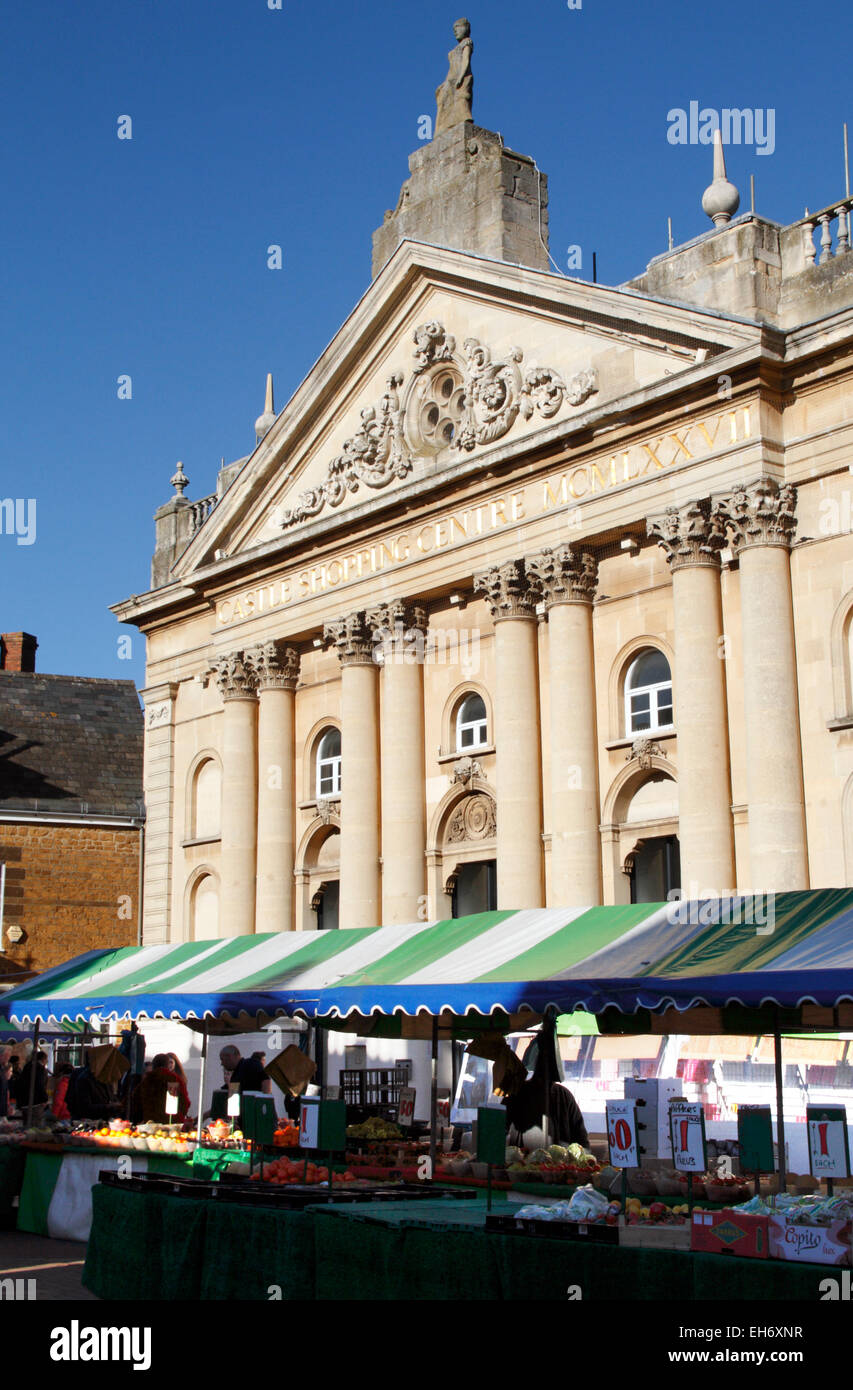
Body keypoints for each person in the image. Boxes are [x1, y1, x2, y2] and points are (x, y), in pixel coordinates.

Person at [66, 1052, 123, 1121]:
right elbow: (85, 1107)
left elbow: (110, 1097)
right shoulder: (84, 1079)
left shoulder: (104, 1078)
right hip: (87, 1121)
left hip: (104, 1120)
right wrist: (109, 1106)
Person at [136, 1054, 181, 1124]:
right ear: (166, 1065)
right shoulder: (173, 1079)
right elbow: (178, 1103)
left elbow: (136, 1098)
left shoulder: (147, 1080)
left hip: (148, 1120)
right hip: (167, 1120)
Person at [17, 1050, 49, 1123]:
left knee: (26, 1123)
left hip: (24, 1101)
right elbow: (40, 1084)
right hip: (35, 1102)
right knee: (35, 1125)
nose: (47, 1061)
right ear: (43, 1059)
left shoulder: (27, 1066)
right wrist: (44, 1098)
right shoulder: (39, 1069)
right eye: (46, 1059)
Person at [166, 1052, 191, 1119]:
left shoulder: (180, 1078)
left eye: (171, 1062)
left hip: (177, 1110)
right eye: (167, 1062)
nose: (169, 1065)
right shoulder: (163, 1077)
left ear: (175, 1063)